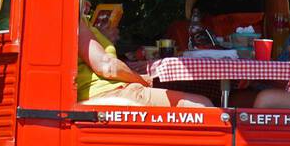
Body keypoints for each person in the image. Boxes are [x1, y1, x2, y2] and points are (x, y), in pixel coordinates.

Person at [77, 13, 212, 107]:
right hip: (108, 92)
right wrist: (143, 81)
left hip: (112, 89)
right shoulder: (74, 16)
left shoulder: (80, 19)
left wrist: (103, 35)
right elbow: (106, 66)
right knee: (203, 104)